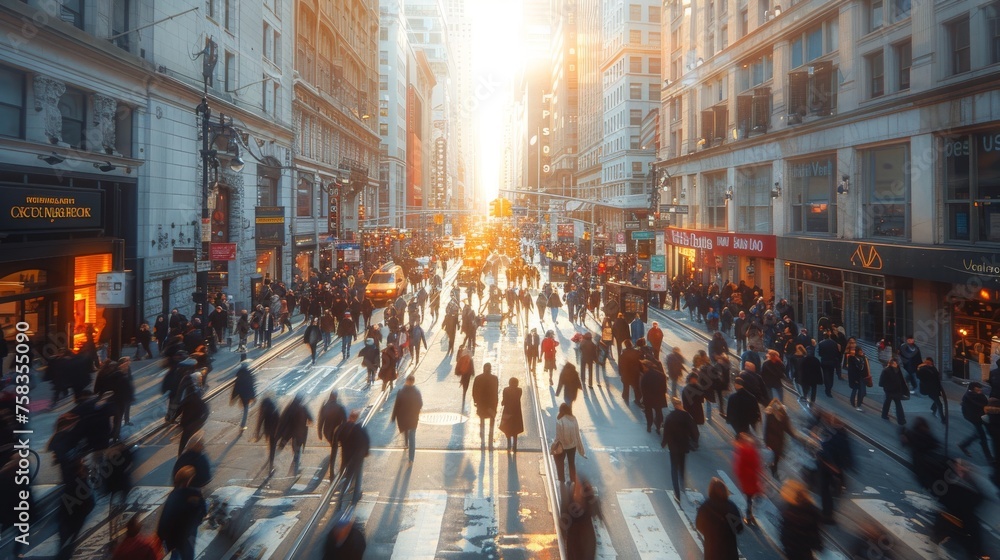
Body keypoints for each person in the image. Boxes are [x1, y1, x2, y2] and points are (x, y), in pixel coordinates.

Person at [157, 466, 207, 560]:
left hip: (173, 537)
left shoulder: (173, 495)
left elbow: (165, 518)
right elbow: (203, 511)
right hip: (188, 536)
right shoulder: (195, 494)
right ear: (188, 480)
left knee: (175, 554)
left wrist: (161, 535)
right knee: (188, 556)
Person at [695, 477, 743, 560]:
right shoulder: (731, 507)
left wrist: (709, 534)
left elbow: (699, 525)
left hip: (712, 550)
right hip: (729, 551)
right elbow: (739, 528)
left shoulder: (705, 506)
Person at [661, 397, 699, 500]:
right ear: (680, 404)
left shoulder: (670, 417)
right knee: (682, 466)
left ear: (673, 406)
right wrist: (695, 441)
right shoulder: (686, 416)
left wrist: (663, 443)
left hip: (673, 447)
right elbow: (694, 429)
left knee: (674, 468)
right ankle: (682, 485)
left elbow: (666, 432)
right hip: (683, 445)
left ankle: (677, 492)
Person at [779, 480, 823, 560]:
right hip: (805, 547)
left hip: (793, 549)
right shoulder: (811, 508)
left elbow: (785, 533)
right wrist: (818, 545)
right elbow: (815, 530)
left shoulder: (788, 511)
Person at [563, 477, 602, 560]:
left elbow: (563, 523)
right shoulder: (586, 507)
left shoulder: (576, 508)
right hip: (585, 541)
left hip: (579, 543)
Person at [338, 410, 370, 507]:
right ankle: (355, 497)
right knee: (357, 476)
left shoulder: (343, 427)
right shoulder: (360, 428)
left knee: (347, 477)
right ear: (356, 418)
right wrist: (365, 453)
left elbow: (338, 437)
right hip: (357, 457)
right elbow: (366, 441)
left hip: (346, 457)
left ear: (349, 417)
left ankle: (340, 497)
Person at [277, 394, 313, 475]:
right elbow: (311, 419)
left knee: (281, 448)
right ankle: (294, 473)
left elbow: (282, 420)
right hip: (298, 435)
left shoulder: (290, 407)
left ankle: (272, 461)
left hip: (287, 434)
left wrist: (279, 433)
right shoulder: (303, 408)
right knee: (297, 454)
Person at [733, 432, 764, 525]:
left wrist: (741, 478)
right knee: (752, 499)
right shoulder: (752, 450)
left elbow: (738, 468)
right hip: (754, 479)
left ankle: (749, 517)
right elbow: (758, 465)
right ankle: (751, 516)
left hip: (747, 480)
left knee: (749, 499)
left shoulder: (741, 451)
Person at [391, 375, 423, 464]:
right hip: (413, 419)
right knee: (412, 437)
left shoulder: (401, 392)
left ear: (406, 381)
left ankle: (405, 443)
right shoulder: (417, 392)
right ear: (413, 382)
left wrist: (393, 417)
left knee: (405, 430)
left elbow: (396, 406)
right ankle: (411, 458)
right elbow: (420, 404)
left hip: (403, 418)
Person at [958, 382, 993, 461]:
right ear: (973, 388)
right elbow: (984, 403)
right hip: (975, 419)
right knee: (983, 437)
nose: (980, 390)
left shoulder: (974, 394)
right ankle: (989, 457)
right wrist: (981, 394)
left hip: (980, 417)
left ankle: (963, 445)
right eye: (978, 388)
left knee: (979, 434)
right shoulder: (971, 396)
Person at [318, 390, 347, 482]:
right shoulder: (340, 408)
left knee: (334, 448)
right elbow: (345, 422)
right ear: (336, 397)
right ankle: (337, 470)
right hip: (337, 433)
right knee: (338, 450)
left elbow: (321, 421)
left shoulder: (325, 407)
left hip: (327, 432)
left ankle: (332, 471)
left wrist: (319, 432)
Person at [553, 403, 586, 484]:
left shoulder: (560, 420)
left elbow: (558, 437)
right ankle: (573, 480)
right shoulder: (574, 419)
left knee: (559, 462)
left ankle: (561, 479)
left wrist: (553, 446)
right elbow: (577, 434)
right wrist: (581, 450)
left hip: (562, 446)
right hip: (572, 446)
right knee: (571, 463)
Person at [763, 398, 796, 478]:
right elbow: (766, 429)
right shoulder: (770, 417)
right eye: (778, 413)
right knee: (773, 456)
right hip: (771, 442)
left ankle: (773, 466)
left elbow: (789, 430)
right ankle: (773, 470)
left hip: (779, 442)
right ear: (775, 412)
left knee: (777, 457)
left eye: (781, 414)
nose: (779, 415)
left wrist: (797, 437)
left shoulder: (784, 419)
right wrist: (766, 442)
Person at [472, 362, 500, 449]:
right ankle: (490, 434)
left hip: (481, 403)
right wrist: (496, 403)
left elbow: (474, 391)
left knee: (482, 418)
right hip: (491, 404)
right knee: (492, 418)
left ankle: (482, 433)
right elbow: (495, 392)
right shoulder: (494, 378)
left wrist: (476, 401)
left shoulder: (478, 378)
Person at [640, 358, 669, 434]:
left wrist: (644, 397)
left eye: (643, 366)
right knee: (658, 412)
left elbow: (643, 388)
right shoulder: (661, 375)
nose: (643, 368)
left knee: (649, 412)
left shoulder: (645, 376)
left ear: (646, 367)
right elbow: (664, 389)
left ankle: (649, 426)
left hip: (648, 398)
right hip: (659, 398)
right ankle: (658, 427)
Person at [254, 396, 281, 474]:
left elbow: (260, 421)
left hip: (268, 430)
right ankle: (271, 466)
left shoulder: (264, 410)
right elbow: (280, 420)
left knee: (271, 447)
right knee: (272, 448)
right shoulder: (275, 409)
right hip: (274, 431)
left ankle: (270, 464)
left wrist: (257, 433)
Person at [879, 358, 909, 425]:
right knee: (888, 403)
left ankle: (901, 420)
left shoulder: (897, 370)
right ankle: (885, 415)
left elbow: (901, 380)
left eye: (896, 363)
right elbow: (881, 382)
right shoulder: (886, 371)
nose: (896, 364)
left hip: (896, 391)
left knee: (897, 404)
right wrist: (888, 387)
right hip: (889, 391)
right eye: (894, 363)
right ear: (891, 363)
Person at [916, 358, 946, 424]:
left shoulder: (933, 368)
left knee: (936, 400)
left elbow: (937, 377)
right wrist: (919, 367)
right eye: (926, 362)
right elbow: (918, 376)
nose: (927, 363)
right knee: (939, 404)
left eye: (929, 362)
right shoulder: (923, 369)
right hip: (930, 389)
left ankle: (933, 409)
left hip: (935, 388)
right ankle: (943, 419)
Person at [500, 378, 524, 454]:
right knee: (515, 430)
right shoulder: (519, 390)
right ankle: (515, 446)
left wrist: (502, 403)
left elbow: (504, 401)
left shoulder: (506, 390)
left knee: (507, 429)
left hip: (507, 412)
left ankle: (509, 445)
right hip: (516, 412)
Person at [231, 361, 256, 430]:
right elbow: (251, 387)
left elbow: (236, 387)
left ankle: (242, 422)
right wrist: (253, 397)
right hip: (247, 395)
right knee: (246, 410)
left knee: (244, 407)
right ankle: (242, 425)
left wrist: (233, 397)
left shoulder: (239, 375)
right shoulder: (249, 374)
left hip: (241, 395)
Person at [618, 339, 643, 407]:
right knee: (636, 387)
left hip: (626, 373)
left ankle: (626, 397)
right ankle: (637, 400)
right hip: (635, 372)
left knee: (626, 386)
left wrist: (620, 372)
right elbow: (640, 361)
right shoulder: (636, 352)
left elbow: (620, 364)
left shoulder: (623, 353)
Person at [846, 346, 871, 411]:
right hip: (856, 377)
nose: (861, 352)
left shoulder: (863, 358)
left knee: (862, 391)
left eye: (861, 351)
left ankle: (858, 402)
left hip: (863, 377)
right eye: (860, 352)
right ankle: (855, 403)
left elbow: (866, 367)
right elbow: (853, 369)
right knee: (856, 389)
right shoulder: (853, 359)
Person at [816, 332, 840, 397]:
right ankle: (829, 387)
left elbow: (820, 353)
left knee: (826, 375)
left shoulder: (821, 343)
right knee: (831, 375)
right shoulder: (834, 343)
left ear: (823, 337)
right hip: (832, 361)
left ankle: (827, 389)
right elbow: (837, 352)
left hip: (824, 361)